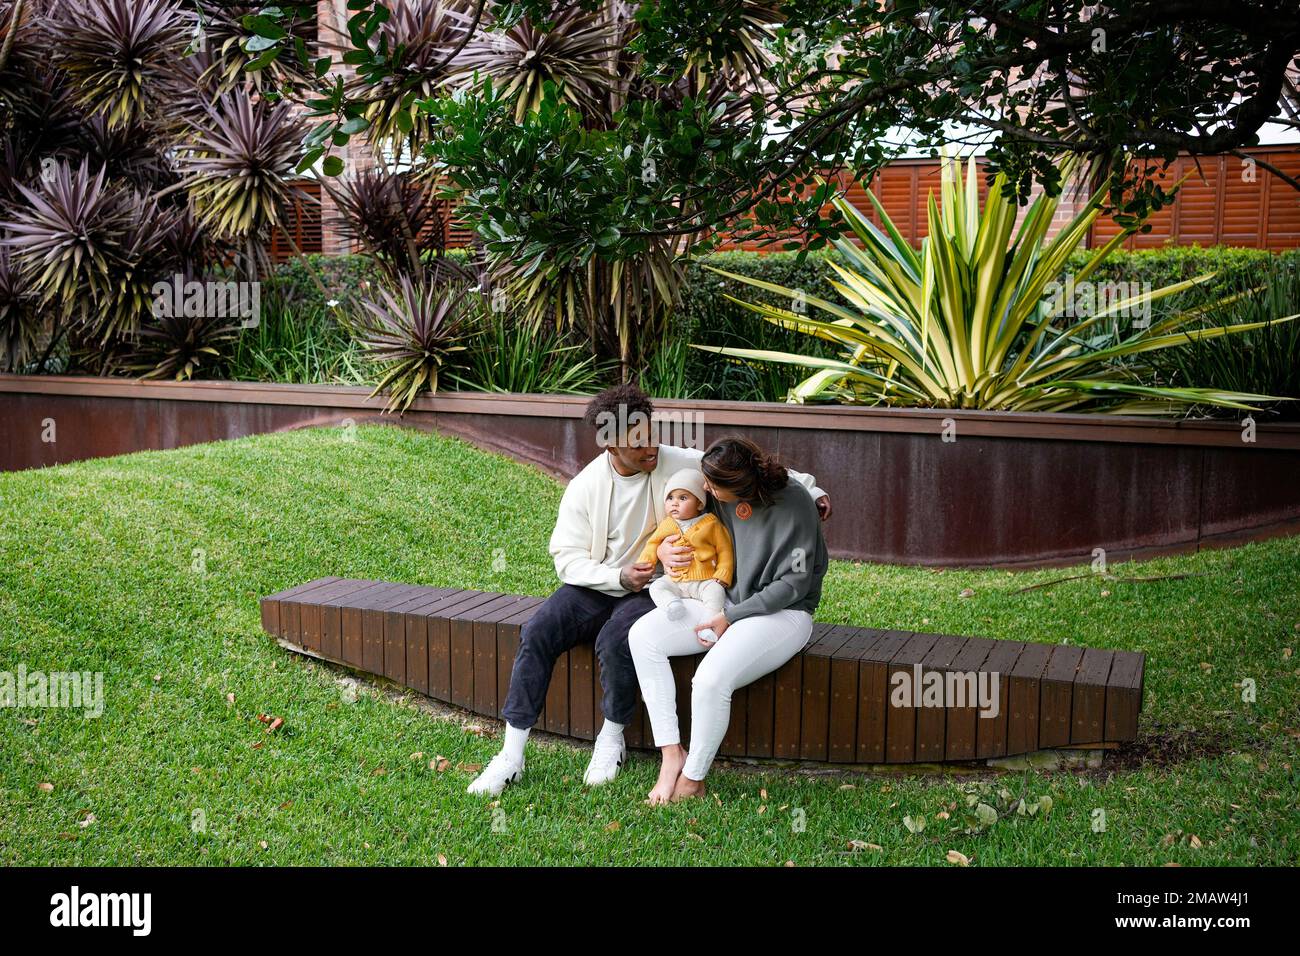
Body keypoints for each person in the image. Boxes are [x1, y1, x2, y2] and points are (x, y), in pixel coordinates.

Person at [467, 385, 830, 797]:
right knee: (539, 630)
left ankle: (611, 739)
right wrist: (619, 577)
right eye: (637, 443)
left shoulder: (673, 459)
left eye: (651, 433)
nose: (651, 447)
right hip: (602, 582)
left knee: (617, 638)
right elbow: (566, 559)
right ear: (610, 445)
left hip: (660, 585)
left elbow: (752, 471)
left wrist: (814, 493)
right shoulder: (585, 487)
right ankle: (511, 754)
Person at [629, 436, 829, 804]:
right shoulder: (722, 495)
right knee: (643, 636)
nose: (704, 487)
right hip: (725, 601)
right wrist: (663, 548)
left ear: (739, 484)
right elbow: (687, 470)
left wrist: (730, 617)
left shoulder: (794, 503)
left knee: (708, 681)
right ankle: (672, 756)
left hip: (784, 613)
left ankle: (693, 780)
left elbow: (794, 584)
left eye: (712, 484)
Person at [637, 468, 734, 642]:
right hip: (675, 581)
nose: (674, 503)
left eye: (683, 498)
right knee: (656, 587)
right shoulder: (667, 524)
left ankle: (708, 624)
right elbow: (652, 544)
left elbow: (725, 550)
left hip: (704, 580)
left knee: (716, 592)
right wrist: (644, 564)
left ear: (699, 504)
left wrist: (723, 573)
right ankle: (672, 605)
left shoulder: (711, 524)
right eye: (670, 498)